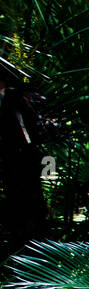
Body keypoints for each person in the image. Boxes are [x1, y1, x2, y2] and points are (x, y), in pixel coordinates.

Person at [0, 67, 48, 253]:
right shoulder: (16, 98)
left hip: (22, 161)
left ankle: (29, 249)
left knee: (26, 208)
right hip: (19, 162)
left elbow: (27, 135)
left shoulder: (15, 99)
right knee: (21, 208)